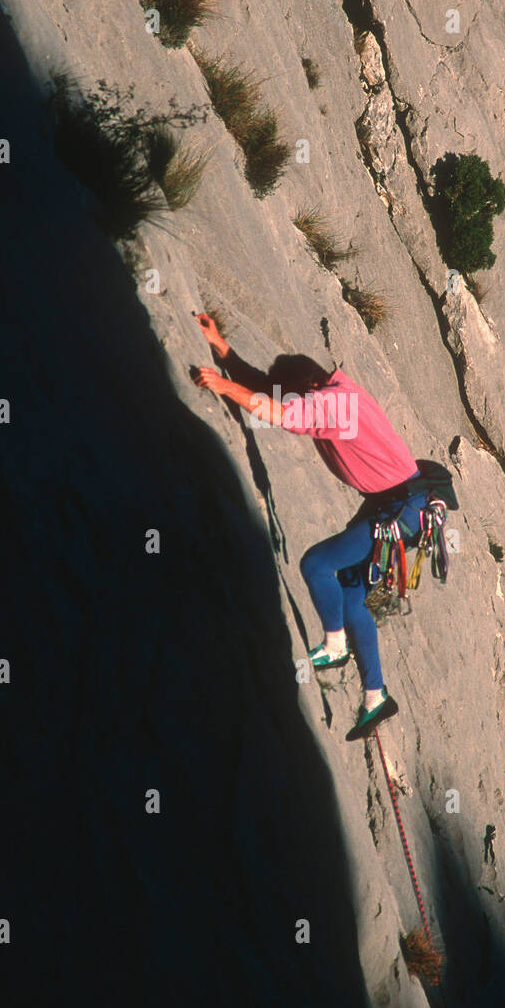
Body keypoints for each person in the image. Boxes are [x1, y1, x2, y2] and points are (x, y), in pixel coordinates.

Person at [193, 312, 431, 740]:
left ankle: (336, 645)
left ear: (308, 389)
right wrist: (221, 347)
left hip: (398, 510)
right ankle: (375, 698)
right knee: (353, 598)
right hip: (401, 506)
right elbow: (271, 392)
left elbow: (280, 412)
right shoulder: (337, 391)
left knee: (317, 564)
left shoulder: (333, 404)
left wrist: (224, 386)